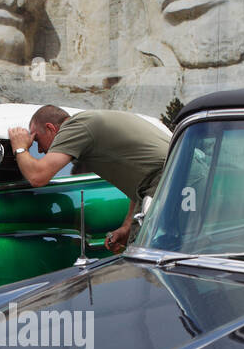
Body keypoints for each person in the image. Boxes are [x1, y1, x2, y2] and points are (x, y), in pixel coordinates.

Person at [9, 106, 169, 252]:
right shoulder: (91, 122)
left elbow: (38, 177)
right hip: (174, 176)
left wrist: (19, 147)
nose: (39, 149)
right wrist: (127, 226)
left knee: (146, 259)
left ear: (50, 128)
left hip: (164, 180)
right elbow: (141, 176)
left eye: (36, 140)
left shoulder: (75, 126)